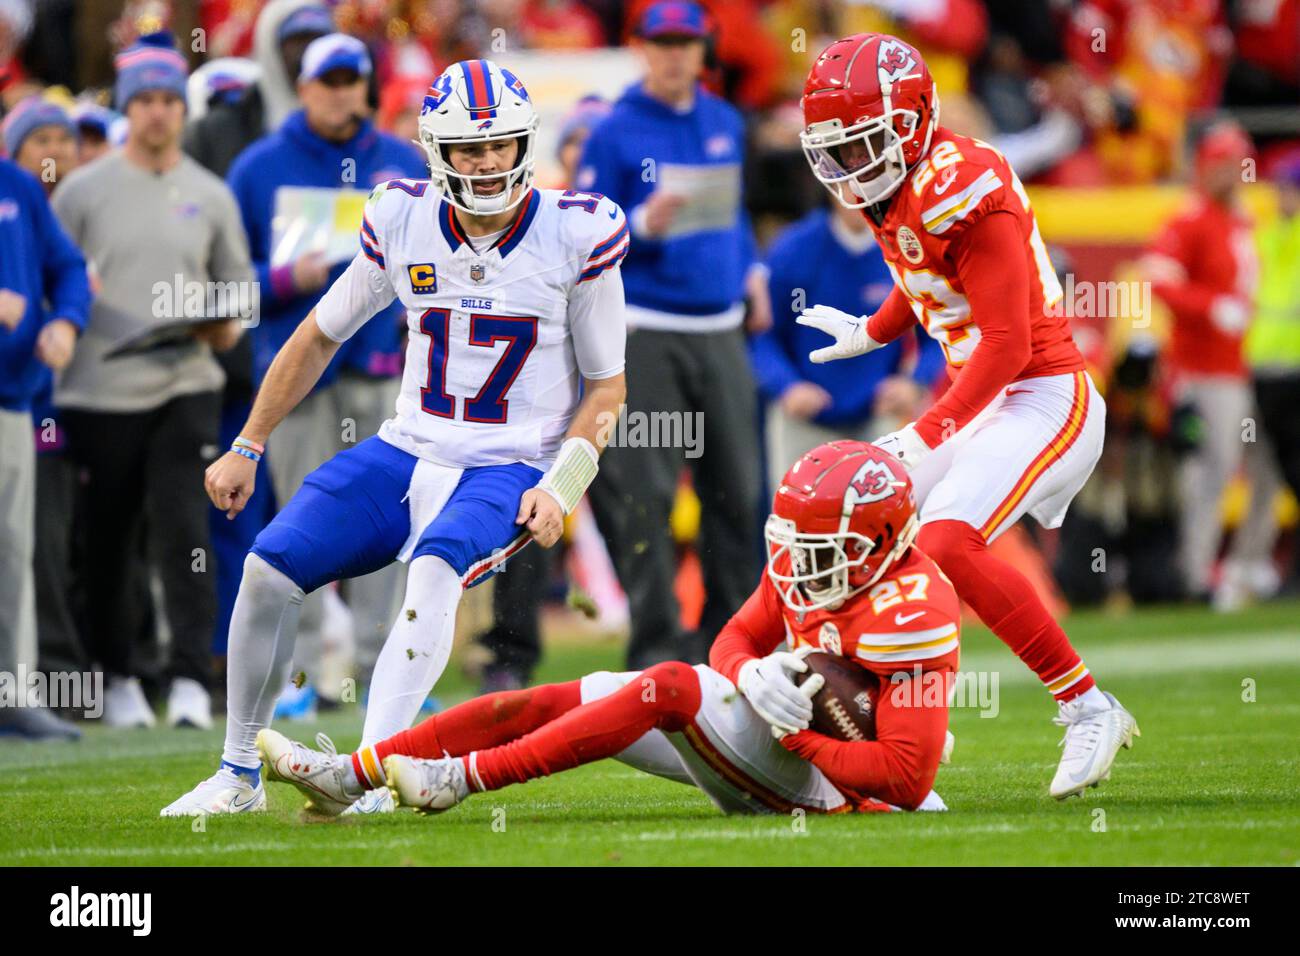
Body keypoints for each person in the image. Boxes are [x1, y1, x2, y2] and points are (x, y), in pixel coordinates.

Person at [161, 58, 629, 817]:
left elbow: (607, 386)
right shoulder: (401, 216)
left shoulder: (577, 231)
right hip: (409, 446)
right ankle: (238, 772)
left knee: (435, 574)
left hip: (507, 462)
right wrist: (249, 442)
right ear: (434, 150)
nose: (487, 163)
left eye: (501, 146)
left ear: (524, 145)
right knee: (267, 570)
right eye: (470, 149)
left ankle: (370, 777)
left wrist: (562, 483)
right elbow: (318, 336)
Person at [793, 33, 1137, 799]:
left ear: (912, 122)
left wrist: (928, 430)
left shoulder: (963, 184)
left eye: (863, 146)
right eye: (838, 151)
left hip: (1046, 396)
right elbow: (922, 276)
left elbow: (1010, 341)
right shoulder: (898, 184)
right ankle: (892, 732)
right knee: (844, 520)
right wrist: (871, 332)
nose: (851, 168)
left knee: (946, 536)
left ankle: (1088, 707)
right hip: (986, 402)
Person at [256, 442, 955, 815]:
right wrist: (751, 677)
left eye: (823, 551)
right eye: (795, 543)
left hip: (833, 790)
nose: (802, 566)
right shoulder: (812, 564)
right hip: (774, 738)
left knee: (672, 685)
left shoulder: (914, 610)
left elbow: (902, 778)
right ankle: (352, 776)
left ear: (882, 542)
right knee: (557, 699)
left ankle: (460, 780)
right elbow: (733, 642)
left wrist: (796, 727)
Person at [52, 32, 254, 730]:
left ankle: (192, 678)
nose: (160, 113)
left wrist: (224, 325)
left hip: (186, 382)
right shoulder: (82, 192)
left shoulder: (210, 191)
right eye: (146, 100)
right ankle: (118, 677)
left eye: (171, 99)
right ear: (127, 107)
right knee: (108, 538)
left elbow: (239, 290)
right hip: (97, 390)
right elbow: (55, 277)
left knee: (183, 527)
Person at [224, 33, 427, 721]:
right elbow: (223, 282)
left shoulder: (401, 162)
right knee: (303, 528)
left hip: (381, 373)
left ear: (367, 85)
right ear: (302, 85)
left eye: (352, 78)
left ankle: (380, 679)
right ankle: (301, 676)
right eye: (328, 79)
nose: (341, 91)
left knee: (391, 529)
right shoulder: (258, 168)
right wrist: (289, 277)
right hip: (297, 371)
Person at [576, 0, 769, 670]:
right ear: (641, 48)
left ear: (703, 47)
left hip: (719, 324)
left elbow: (736, 214)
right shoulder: (614, 131)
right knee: (645, 491)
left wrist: (753, 272)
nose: (675, 53)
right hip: (647, 325)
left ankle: (732, 641)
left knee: (738, 487)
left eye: (686, 41)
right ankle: (656, 643)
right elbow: (585, 234)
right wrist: (644, 222)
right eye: (663, 42)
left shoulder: (723, 119)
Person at [1145, 122, 1271, 605]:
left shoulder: (1244, 221)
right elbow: (1158, 280)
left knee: (1268, 470)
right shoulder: (1190, 220)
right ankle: (1195, 575)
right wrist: (1210, 305)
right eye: (1223, 163)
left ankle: (1247, 567)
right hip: (1206, 370)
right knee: (1213, 472)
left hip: (1253, 363)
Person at [751, 199, 945, 491]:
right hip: (803, 418)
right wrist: (786, 386)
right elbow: (761, 335)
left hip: (876, 417)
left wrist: (915, 383)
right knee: (794, 523)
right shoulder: (793, 250)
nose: (859, 196)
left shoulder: (905, 251)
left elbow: (939, 332)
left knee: (883, 522)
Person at [0, 155, 89, 741]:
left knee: (12, 549)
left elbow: (68, 267)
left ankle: (15, 691)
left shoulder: (16, 185)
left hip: (13, 399)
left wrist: (68, 321)